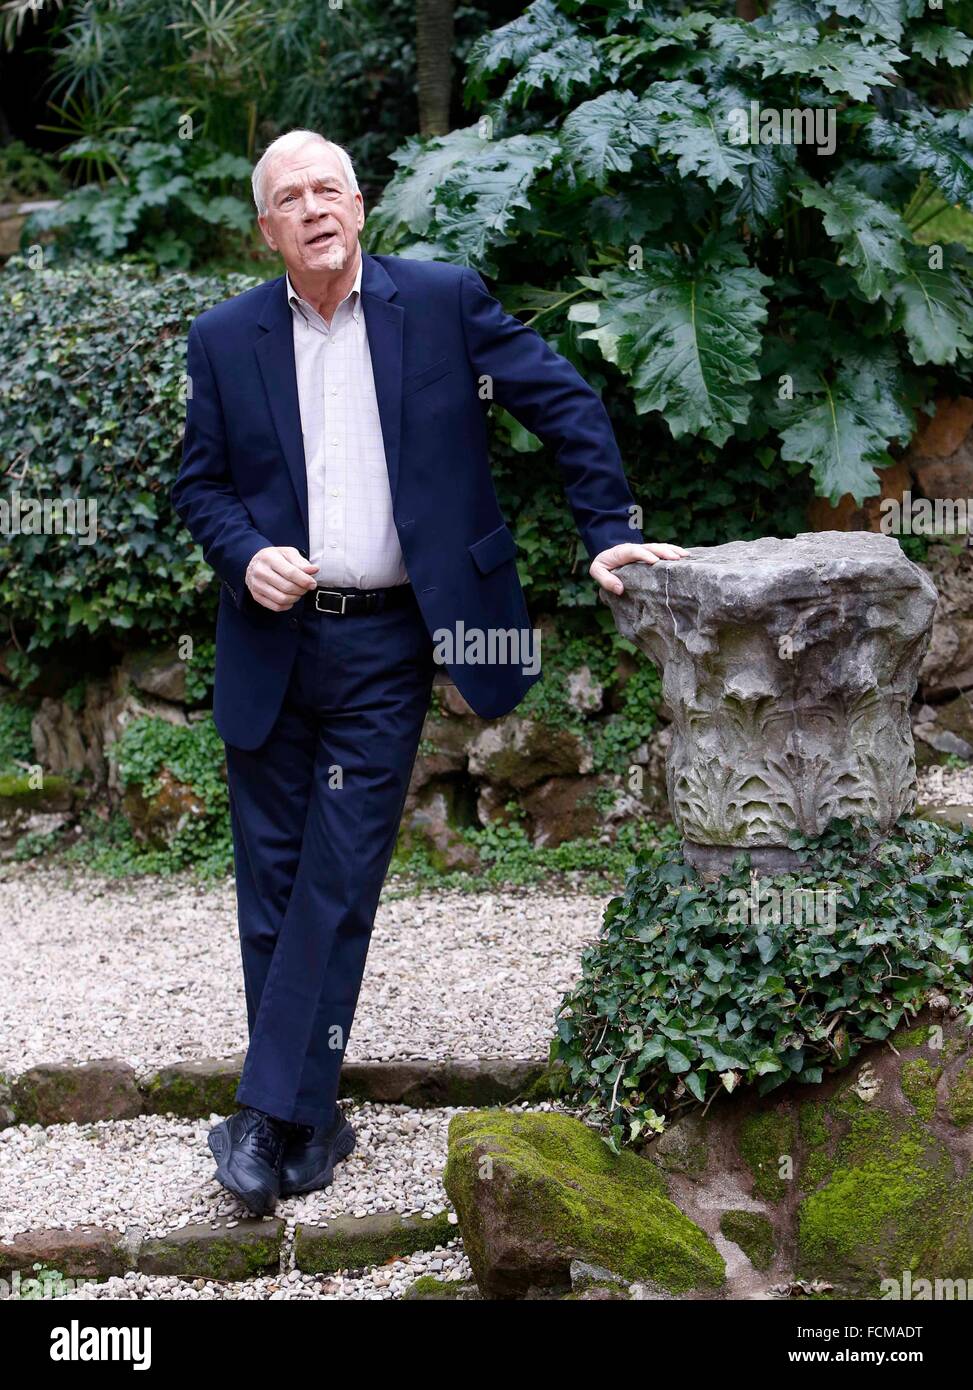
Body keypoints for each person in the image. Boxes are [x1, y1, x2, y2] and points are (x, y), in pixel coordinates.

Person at [171, 128, 687, 1215]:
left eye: (330, 189)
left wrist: (607, 527)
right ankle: (311, 1119)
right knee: (269, 886)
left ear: (359, 207)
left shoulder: (442, 304)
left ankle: (261, 1118)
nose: (314, 208)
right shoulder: (225, 339)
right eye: (290, 198)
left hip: (388, 642)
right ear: (266, 229)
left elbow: (562, 403)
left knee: (339, 869)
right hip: (270, 639)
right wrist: (242, 551)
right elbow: (200, 484)